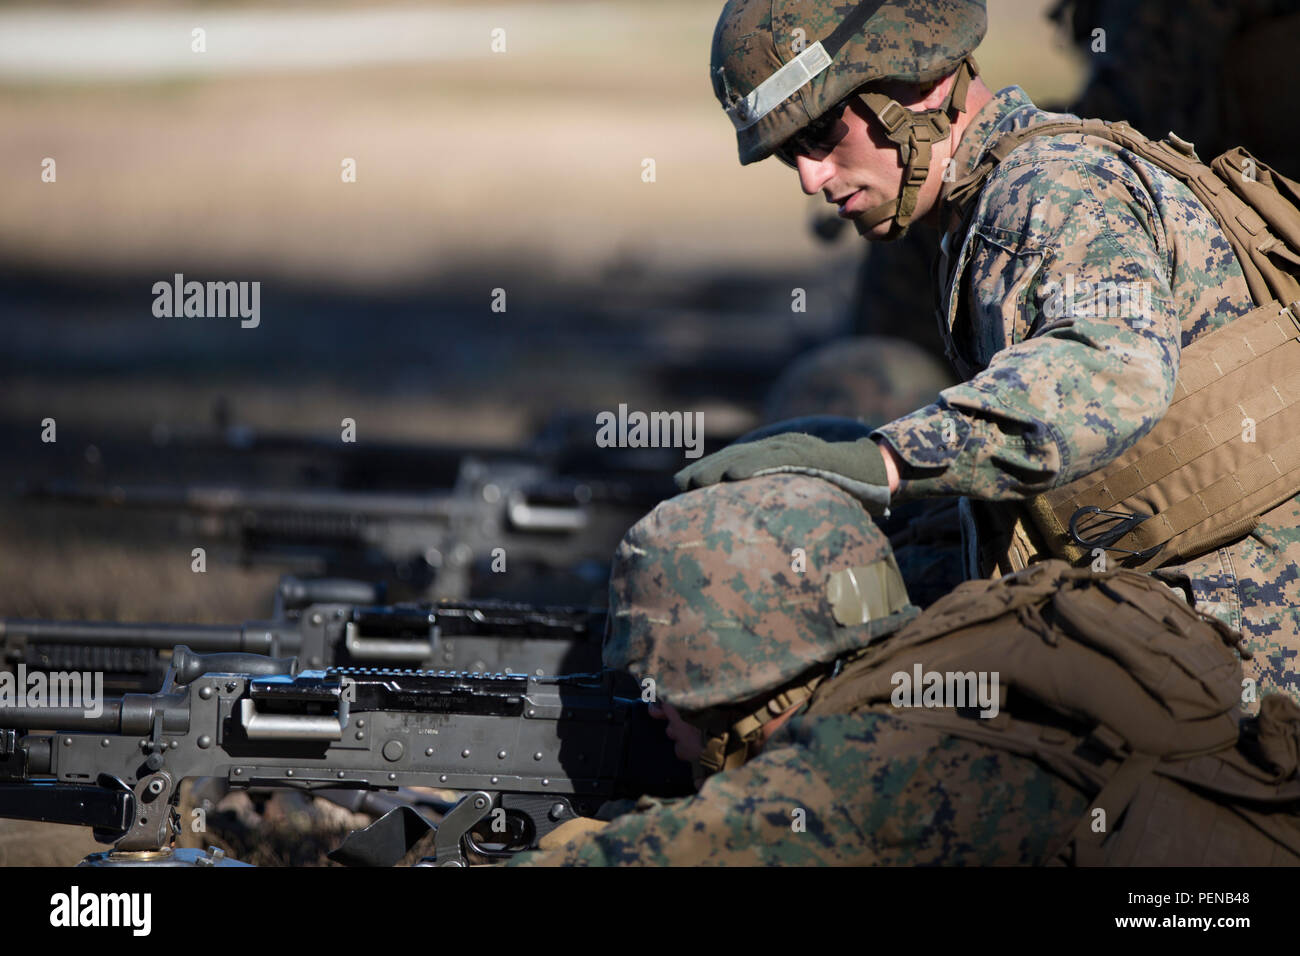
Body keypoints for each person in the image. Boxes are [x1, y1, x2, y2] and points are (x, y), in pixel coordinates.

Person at [679, 0, 1300, 710]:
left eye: (822, 132)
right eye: (791, 151)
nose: (811, 180)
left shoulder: (1048, 188)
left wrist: (887, 462)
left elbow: (1114, 374)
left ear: (923, 87)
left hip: (1247, 680)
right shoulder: (997, 199)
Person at [511, 475, 1300, 866]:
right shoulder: (959, 666)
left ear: (743, 672)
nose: (654, 706)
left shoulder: (863, 771)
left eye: (669, 678)